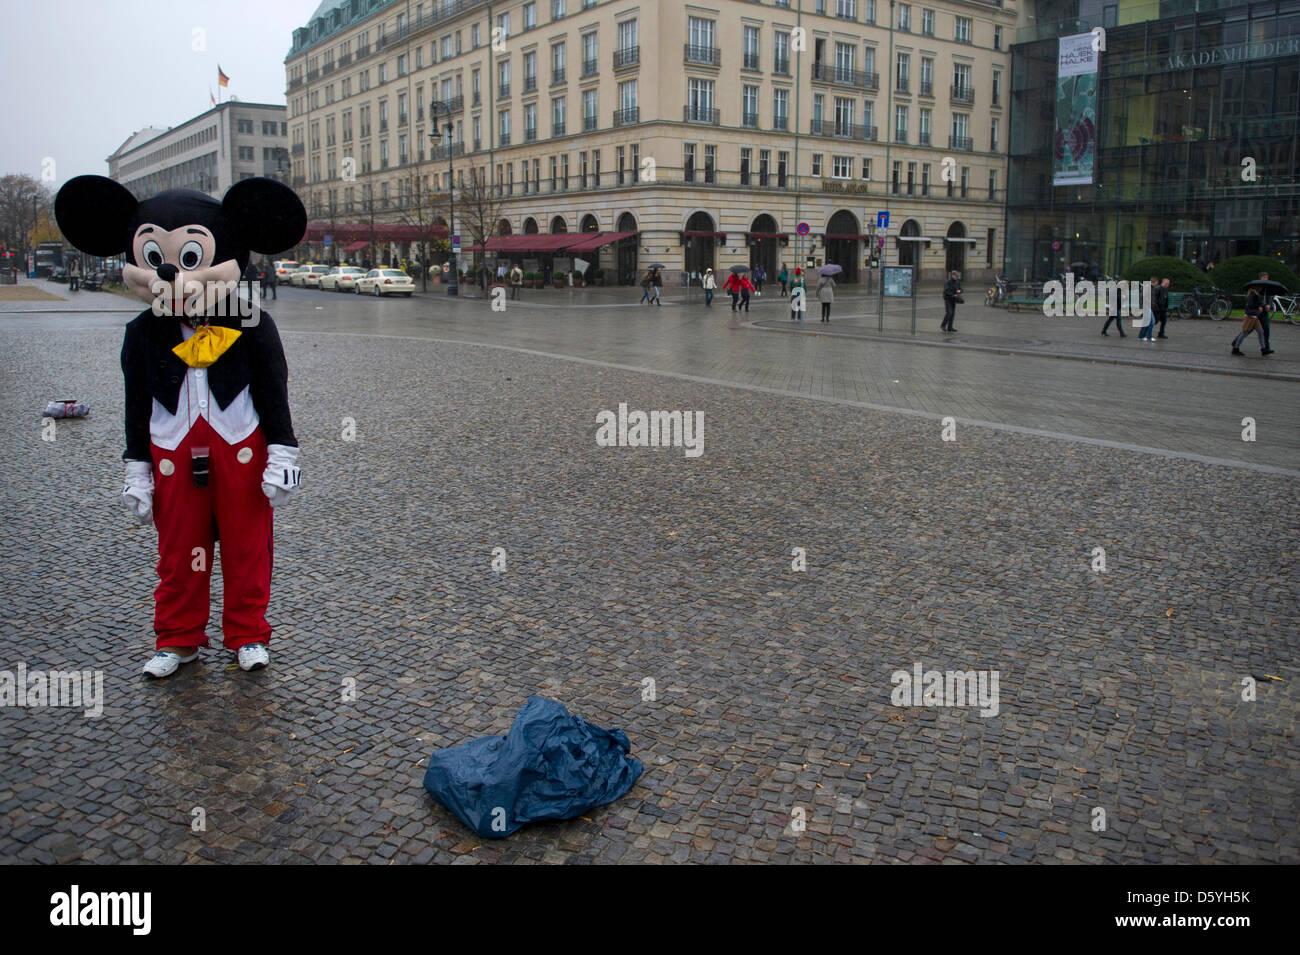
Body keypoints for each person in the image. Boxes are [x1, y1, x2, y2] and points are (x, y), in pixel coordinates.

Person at [1234, 281, 1269, 356]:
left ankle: (1263, 349)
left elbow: (1257, 303)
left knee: (1260, 332)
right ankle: (1235, 348)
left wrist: (1263, 305)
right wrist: (1258, 310)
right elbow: (1249, 308)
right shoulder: (1252, 295)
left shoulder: (1255, 295)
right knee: (1244, 333)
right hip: (1250, 317)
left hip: (1254, 317)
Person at [1254, 272, 1274, 354]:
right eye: (1264, 277)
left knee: (1266, 330)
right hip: (1257, 312)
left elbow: (1269, 297)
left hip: (1264, 312)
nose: (1266, 279)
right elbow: (1255, 299)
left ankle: (1266, 347)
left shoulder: (1267, 288)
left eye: (1267, 277)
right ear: (1261, 278)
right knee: (1247, 330)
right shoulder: (1257, 287)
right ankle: (1235, 344)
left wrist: (1269, 304)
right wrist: (1263, 305)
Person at [1137, 277, 1159, 341]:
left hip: (1146, 306)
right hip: (1146, 306)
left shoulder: (1149, 287)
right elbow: (1143, 296)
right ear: (1155, 282)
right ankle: (1149, 336)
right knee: (1151, 322)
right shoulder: (1148, 287)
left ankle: (1141, 336)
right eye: (1157, 282)